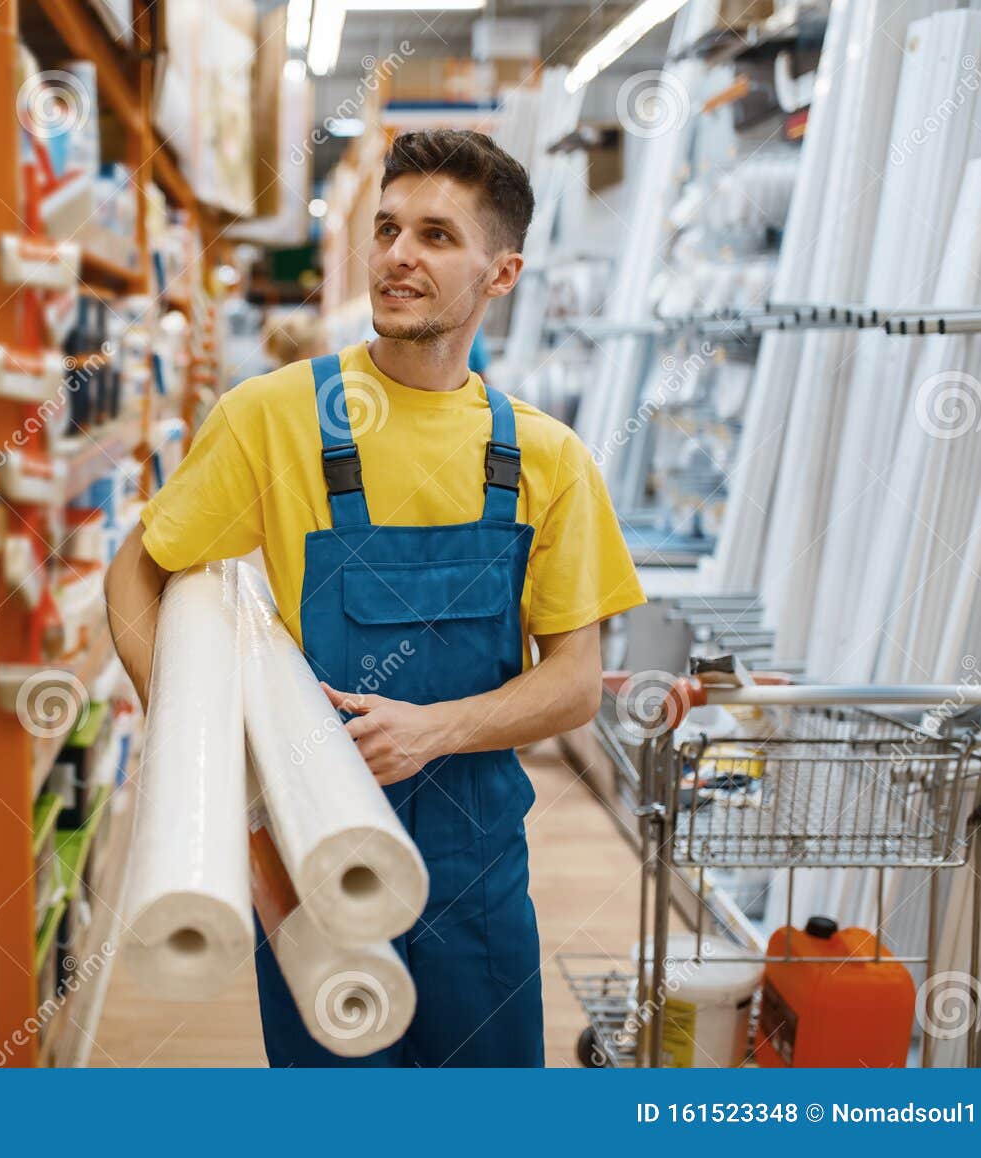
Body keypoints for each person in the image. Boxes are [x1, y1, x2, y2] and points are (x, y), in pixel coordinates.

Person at [104, 128, 645, 1068]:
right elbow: (137, 573)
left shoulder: (547, 460)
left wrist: (431, 729)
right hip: (321, 874)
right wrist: (207, 748)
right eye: (389, 229)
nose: (398, 255)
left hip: (476, 881)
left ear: (502, 271)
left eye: (437, 236)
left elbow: (574, 685)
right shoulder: (271, 419)